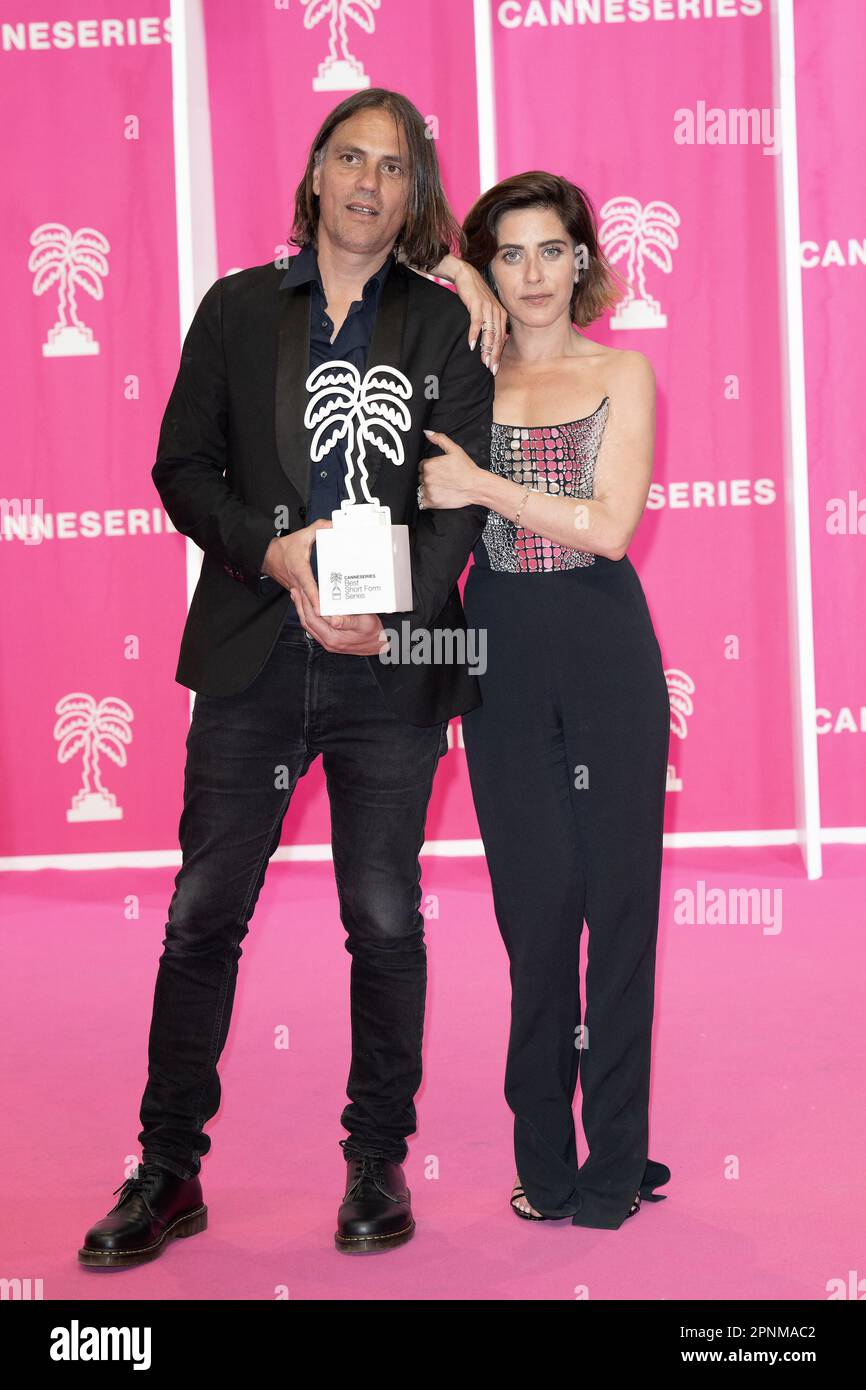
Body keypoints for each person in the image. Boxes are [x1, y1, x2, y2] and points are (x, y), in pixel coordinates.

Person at [78, 88, 505, 1268]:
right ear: (316, 175)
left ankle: (374, 1161)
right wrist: (268, 548)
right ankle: (167, 1170)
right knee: (202, 912)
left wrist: (400, 612)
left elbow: (455, 497)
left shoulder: (442, 325)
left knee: (381, 914)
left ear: (413, 196)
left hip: (393, 669)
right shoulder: (231, 310)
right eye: (350, 159)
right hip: (254, 652)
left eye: (394, 168)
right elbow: (180, 465)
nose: (370, 183)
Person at [418, 171, 672, 1230]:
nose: (530, 274)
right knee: (535, 915)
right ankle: (542, 1158)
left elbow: (608, 529)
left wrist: (484, 488)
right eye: (506, 253)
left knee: (619, 912)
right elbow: (361, 267)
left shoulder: (624, 370)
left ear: (581, 260)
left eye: (548, 250)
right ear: (487, 265)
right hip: (502, 647)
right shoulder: (455, 377)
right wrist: (441, 271)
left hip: (606, 642)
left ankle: (615, 1158)